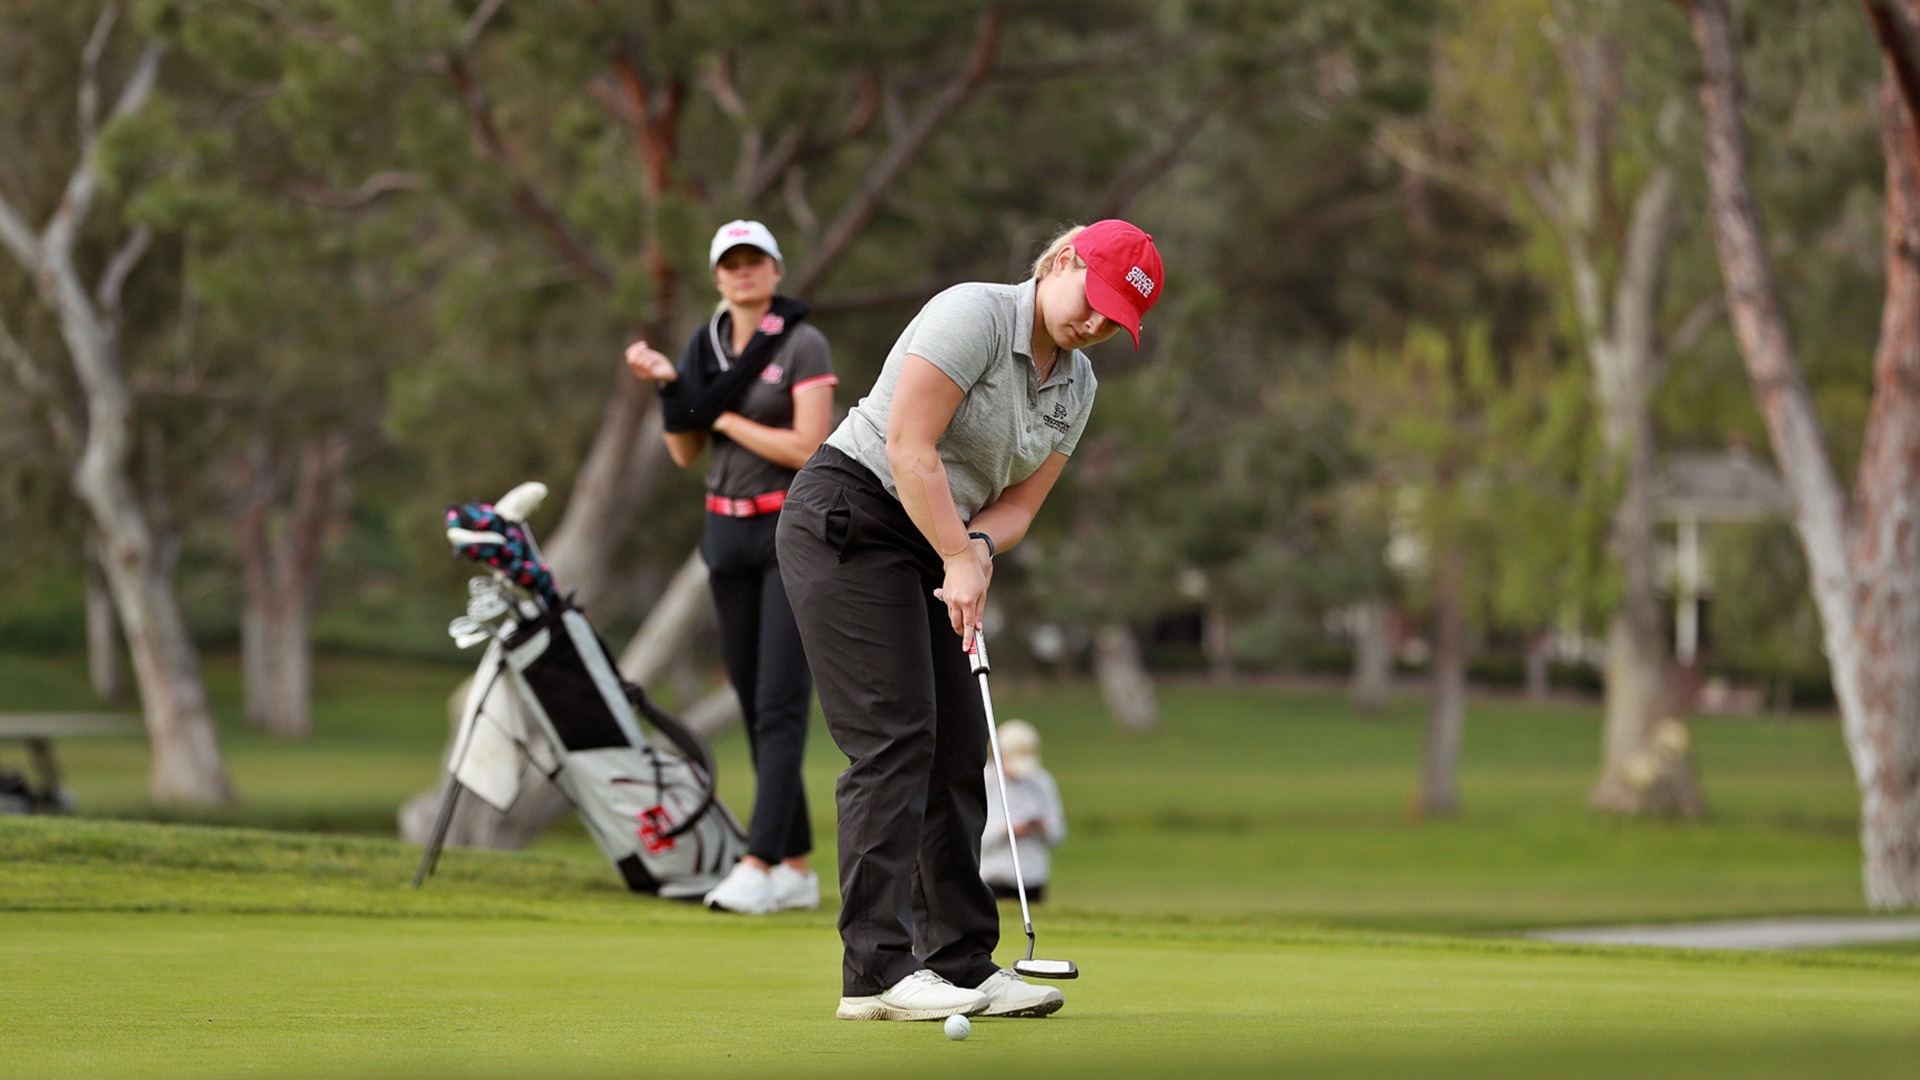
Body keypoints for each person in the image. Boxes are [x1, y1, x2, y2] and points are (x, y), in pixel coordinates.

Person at [775, 219, 1164, 1022]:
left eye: (1111, 322)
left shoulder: (1078, 384)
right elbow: (911, 449)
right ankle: (875, 973)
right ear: (1062, 262)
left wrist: (976, 548)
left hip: (938, 540)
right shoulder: (974, 315)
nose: (1092, 325)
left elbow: (1022, 502)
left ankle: (960, 961)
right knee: (893, 736)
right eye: (1090, 301)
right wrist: (957, 557)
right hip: (852, 515)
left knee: (956, 745)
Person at [624, 220, 837, 915]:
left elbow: (810, 446)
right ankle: (797, 866)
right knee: (752, 701)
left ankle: (758, 859)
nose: (743, 273)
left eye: (755, 261)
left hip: (788, 531)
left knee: (780, 704)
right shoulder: (703, 346)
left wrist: (717, 414)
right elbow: (686, 454)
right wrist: (668, 389)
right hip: (725, 533)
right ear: (717, 277)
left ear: (775, 271)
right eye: (731, 264)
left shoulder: (802, 343)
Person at [979, 719, 1066, 904]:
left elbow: (1058, 834)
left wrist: (1042, 827)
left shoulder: (1042, 782)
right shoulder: (983, 782)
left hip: (1034, 878)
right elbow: (974, 837)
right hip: (994, 878)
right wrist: (1007, 830)